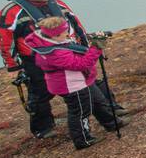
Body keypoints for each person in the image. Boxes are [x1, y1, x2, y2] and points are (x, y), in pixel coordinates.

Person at [0, 0, 117, 138]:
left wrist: (87, 47)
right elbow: (4, 40)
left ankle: (110, 115)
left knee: (90, 84)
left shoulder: (58, 4)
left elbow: (76, 25)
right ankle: (43, 128)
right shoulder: (10, 12)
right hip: (37, 61)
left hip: (69, 52)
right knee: (39, 94)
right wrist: (13, 66)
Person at [23, 17, 124, 150]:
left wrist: (92, 41)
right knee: (80, 112)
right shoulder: (56, 52)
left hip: (74, 82)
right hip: (72, 86)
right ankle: (82, 139)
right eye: (65, 31)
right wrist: (97, 47)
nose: (68, 34)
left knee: (95, 102)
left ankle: (110, 123)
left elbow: (72, 50)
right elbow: (81, 64)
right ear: (55, 35)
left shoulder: (48, 44)